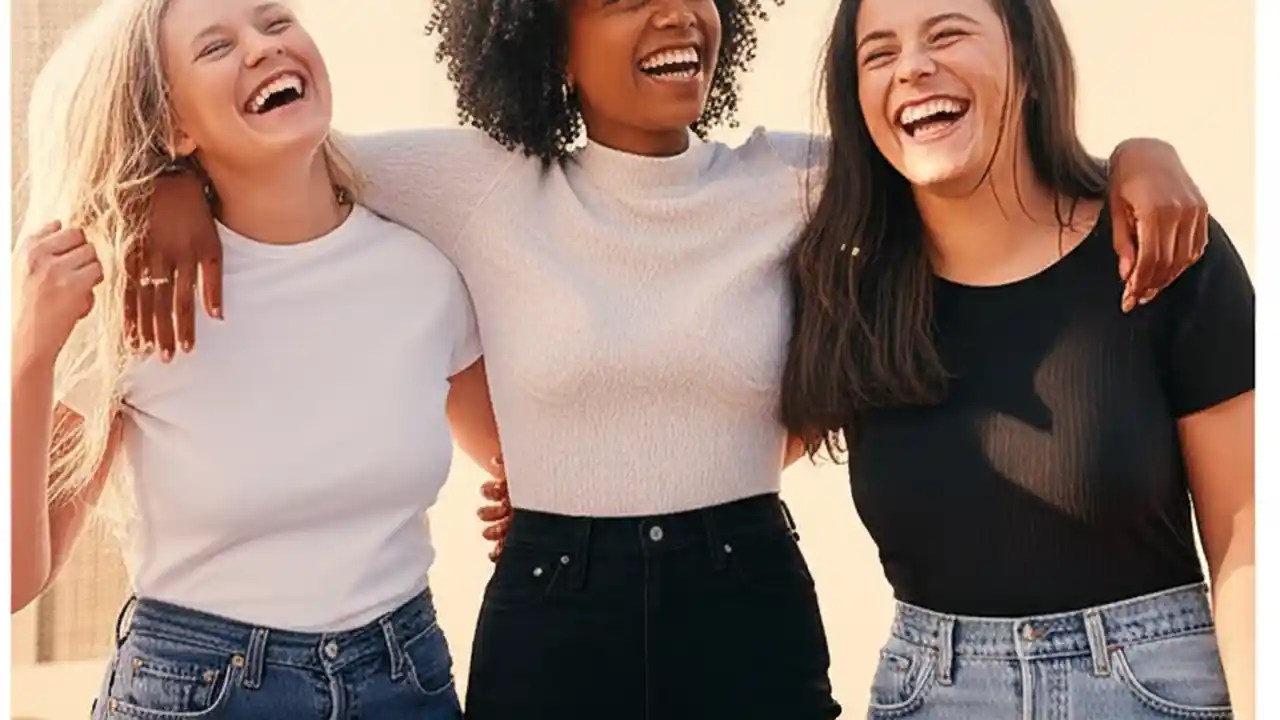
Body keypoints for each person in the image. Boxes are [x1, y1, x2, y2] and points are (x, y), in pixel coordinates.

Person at [134, 2, 1211, 717]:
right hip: (553, 609)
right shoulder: (477, 182)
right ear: (543, 39)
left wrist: (1136, 155)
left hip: (744, 596)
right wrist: (170, 190)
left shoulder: (795, 183)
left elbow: (968, 150)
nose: (672, 10)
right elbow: (276, 151)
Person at [10, 0, 495, 717]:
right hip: (201, 692)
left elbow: (527, 469)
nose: (262, 48)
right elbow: (15, 579)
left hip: (403, 682)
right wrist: (28, 355)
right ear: (174, 126)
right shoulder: (138, 295)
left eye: (275, 23)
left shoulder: (423, 276)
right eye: (215, 48)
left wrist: (539, 510)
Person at [778, 0, 1254, 717]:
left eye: (948, 33)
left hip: (1154, 693)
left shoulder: (1161, 253)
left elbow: (1249, 541)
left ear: (1028, 61)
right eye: (879, 54)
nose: (912, 66)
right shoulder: (846, 294)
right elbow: (706, 468)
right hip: (932, 695)